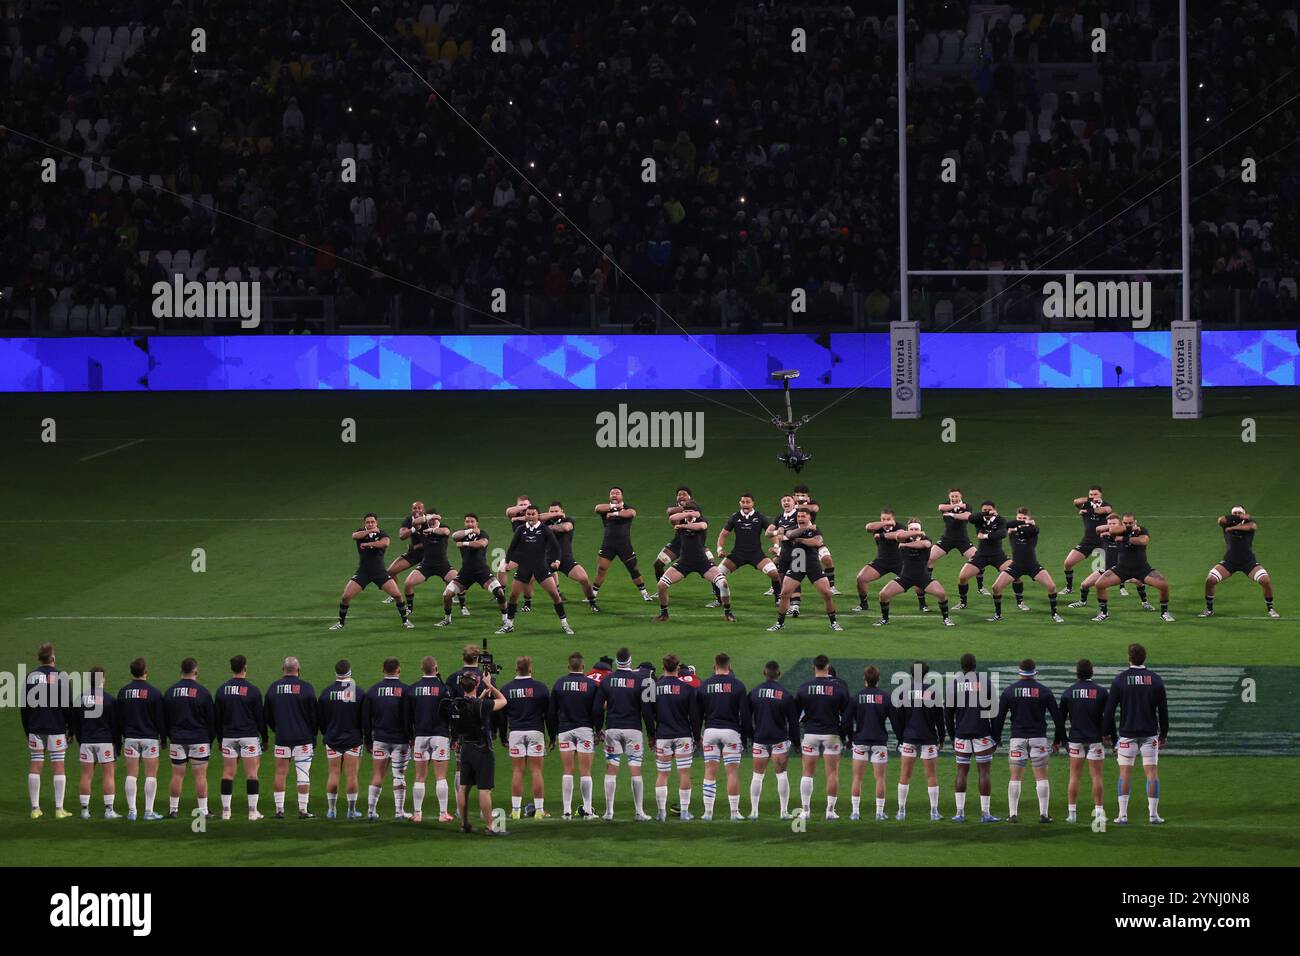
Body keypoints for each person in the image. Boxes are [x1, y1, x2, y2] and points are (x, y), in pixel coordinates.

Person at [1103, 643, 1169, 825]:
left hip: (1127, 734)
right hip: (1149, 733)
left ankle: (1122, 815)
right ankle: (1153, 815)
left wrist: (1110, 736)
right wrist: (1164, 734)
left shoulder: (1119, 680)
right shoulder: (1155, 680)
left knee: (1124, 774)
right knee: (1152, 774)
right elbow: (1163, 711)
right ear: (1144, 658)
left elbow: (1109, 712)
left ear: (1129, 658)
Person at [993, 659, 1063, 823]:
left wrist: (996, 739)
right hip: (1038, 738)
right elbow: (1058, 719)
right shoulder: (1044, 691)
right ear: (1035, 673)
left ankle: (1012, 814)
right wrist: (1058, 740)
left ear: (1019, 672)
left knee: (1015, 777)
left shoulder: (1009, 691)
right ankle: (1044, 814)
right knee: (1041, 777)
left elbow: (999, 718)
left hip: (1017, 738)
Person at [593, 647, 654, 821]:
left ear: (617, 661)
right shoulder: (640, 681)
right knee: (635, 768)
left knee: (611, 768)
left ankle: (609, 812)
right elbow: (647, 712)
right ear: (630, 660)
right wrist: (651, 734)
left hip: (612, 728)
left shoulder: (607, 680)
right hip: (633, 729)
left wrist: (598, 729)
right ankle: (639, 812)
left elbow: (597, 708)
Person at [448, 669, 508, 835]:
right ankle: (490, 827)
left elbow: (470, 707)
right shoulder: (483, 705)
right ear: (477, 685)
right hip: (482, 751)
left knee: (464, 787)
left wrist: (481, 696)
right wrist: (490, 686)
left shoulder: (458, 704)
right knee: (484, 789)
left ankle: (464, 824)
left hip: (465, 749)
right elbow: (503, 701)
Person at [497, 505, 572, 635]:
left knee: (555, 595)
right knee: (513, 596)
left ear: (538, 516)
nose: (530, 516)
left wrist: (557, 561)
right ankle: (509, 625)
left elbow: (557, 548)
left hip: (541, 568)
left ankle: (565, 624)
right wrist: (507, 563)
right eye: (528, 514)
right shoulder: (521, 529)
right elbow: (512, 547)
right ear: (526, 515)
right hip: (524, 567)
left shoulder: (544, 529)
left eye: (533, 514)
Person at [655, 501, 734, 622]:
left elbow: (701, 527)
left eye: (691, 512)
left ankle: (728, 613)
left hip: (703, 562)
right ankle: (664, 614)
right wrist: (685, 514)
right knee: (661, 585)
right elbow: (671, 518)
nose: (688, 515)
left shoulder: (701, 520)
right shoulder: (681, 520)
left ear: (697, 513)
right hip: (684, 563)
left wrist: (683, 526)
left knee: (723, 584)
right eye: (686, 512)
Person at [331, 513, 413, 630]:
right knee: (346, 597)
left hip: (379, 572)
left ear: (376, 522)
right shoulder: (361, 532)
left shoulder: (382, 534)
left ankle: (405, 621)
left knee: (397, 595)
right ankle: (340, 623)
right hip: (363, 572)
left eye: (372, 522)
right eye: (368, 522)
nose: (370, 524)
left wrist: (368, 544)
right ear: (365, 524)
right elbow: (354, 536)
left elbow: (385, 543)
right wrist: (369, 532)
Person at [944, 654, 1000, 823]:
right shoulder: (985, 682)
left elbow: (948, 713)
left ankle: (960, 813)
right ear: (975, 665)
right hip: (982, 733)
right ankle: (985, 813)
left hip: (961, 734)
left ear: (962, 667)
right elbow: (995, 711)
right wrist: (995, 736)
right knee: (984, 772)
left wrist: (953, 736)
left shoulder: (954, 684)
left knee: (961, 772)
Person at [795, 655, 851, 819]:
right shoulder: (838, 689)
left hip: (811, 733)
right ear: (828, 667)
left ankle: (805, 811)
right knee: (832, 773)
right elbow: (846, 717)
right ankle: (830, 811)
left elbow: (796, 715)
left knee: (807, 772)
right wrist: (846, 736)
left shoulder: (804, 687)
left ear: (814, 667)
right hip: (831, 735)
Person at [21, 643, 72, 820]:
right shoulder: (61, 677)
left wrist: (27, 731)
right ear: (52, 658)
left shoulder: (29, 677)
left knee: (36, 763)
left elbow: (24, 708)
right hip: (56, 727)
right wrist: (70, 729)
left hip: (35, 727)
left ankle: (35, 808)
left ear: (39, 659)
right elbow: (68, 707)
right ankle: (59, 809)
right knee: (58, 765)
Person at [548, 652, 602, 819]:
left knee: (567, 771)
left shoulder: (559, 684)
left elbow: (551, 713)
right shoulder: (591, 685)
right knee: (585, 771)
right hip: (585, 730)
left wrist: (552, 735)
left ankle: (566, 811)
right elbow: (597, 710)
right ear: (583, 667)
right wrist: (598, 729)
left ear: (568, 666)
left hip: (565, 731)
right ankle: (586, 809)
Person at [1199, 507, 1280, 618]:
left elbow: (1252, 526)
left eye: (1239, 513)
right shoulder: (1226, 523)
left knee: (1265, 580)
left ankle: (1270, 609)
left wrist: (1233, 528)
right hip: (1230, 561)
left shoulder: (1249, 522)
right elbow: (1220, 520)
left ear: (1244, 513)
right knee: (1210, 580)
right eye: (1234, 513)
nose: (1237, 515)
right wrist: (1239, 517)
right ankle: (1209, 610)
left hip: (1248, 561)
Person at [649, 654, 703, 820]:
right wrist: (696, 736)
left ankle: (661, 813)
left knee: (662, 774)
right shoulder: (687, 689)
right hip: (683, 735)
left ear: (663, 667)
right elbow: (694, 716)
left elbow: (649, 714)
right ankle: (685, 812)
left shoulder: (653, 688)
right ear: (678, 667)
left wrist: (651, 735)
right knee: (684, 773)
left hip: (663, 735)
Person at [1091, 514, 1174, 623]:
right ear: (1122, 523)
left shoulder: (1142, 530)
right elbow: (1100, 529)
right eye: (1126, 523)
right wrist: (1127, 529)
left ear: (1135, 521)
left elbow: (1143, 541)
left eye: (1131, 523)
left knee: (1163, 585)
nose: (1128, 525)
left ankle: (1164, 613)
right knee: (1099, 584)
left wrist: (1125, 538)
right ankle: (1104, 613)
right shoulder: (1119, 530)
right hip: (1122, 569)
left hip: (1142, 568)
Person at [265, 656, 318, 819]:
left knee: (280, 773)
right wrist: (313, 735)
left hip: (282, 737)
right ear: (298, 670)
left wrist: (278, 729)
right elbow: (314, 716)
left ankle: (279, 810)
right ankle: (303, 810)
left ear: (283, 670)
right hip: (303, 738)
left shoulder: (273, 688)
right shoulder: (307, 688)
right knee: (303, 774)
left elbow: (267, 715)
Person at [162, 658, 216, 820]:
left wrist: (170, 736)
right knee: (200, 776)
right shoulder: (203, 692)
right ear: (195, 671)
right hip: (199, 738)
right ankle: (203, 811)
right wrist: (209, 740)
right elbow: (211, 720)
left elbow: (165, 719)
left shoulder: (170, 692)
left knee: (177, 775)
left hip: (177, 739)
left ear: (181, 671)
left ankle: (173, 810)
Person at [988, 508, 1063, 622]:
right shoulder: (1010, 527)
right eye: (1019, 518)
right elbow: (1006, 524)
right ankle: (998, 615)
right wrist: (1021, 523)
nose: (1021, 520)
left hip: (1032, 565)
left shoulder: (1033, 529)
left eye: (1024, 518)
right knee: (996, 587)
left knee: (1051, 587)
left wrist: (1018, 527)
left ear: (1030, 519)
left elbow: (1033, 530)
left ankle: (1054, 614)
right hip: (1016, 566)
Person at [892, 661, 945, 821]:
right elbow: (939, 719)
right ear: (926, 674)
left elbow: (898, 718)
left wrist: (901, 738)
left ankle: (901, 811)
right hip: (928, 738)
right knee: (931, 776)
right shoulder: (933, 691)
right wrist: (941, 737)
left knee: (904, 775)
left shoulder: (903, 691)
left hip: (909, 737)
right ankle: (934, 812)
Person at [499, 656, 551, 819]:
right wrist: (553, 735)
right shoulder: (541, 688)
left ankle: (515, 810)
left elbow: (501, 716)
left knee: (518, 771)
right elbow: (548, 715)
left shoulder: (506, 689)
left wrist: (502, 735)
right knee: (536, 771)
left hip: (515, 733)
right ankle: (539, 810)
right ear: (530, 669)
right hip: (536, 732)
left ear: (516, 669)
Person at [216, 655, 266, 821]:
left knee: (228, 773)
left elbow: (217, 718)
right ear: (245, 667)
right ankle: (252, 812)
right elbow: (260, 718)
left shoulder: (222, 690)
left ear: (232, 668)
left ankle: (226, 811)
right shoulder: (252, 690)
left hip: (229, 737)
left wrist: (219, 739)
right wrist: (265, 738)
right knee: (252, 774)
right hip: (249, 736)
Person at [1057, 659, 1108, 824]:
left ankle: (1072, 814)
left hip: (1076, 739)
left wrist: (1061, 740)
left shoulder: (1068, 692)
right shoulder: (1101, 692)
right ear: (1092, 672)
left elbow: (1060, 721)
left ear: (1077, 672)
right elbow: (1107, 719)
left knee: (1074, 776)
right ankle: (1099, 813)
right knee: (1097, 776)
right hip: (1095, 739)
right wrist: (1109, 736)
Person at [747, 660, 801, 818]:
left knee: (757, 775)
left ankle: (754, 812)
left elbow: (745, 717)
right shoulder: (785, 695)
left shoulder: (755, 692)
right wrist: (796, 743)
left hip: (760, 738)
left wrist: (751, 736)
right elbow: (793, 723)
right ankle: (784, 812)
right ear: (779, 674)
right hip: (779, 740)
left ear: (764, 673)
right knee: (782, 775)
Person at [699, 653, 749, 821]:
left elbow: (698, 713)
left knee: (710, 771)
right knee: (732, 773)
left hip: (711, 731)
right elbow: (745, 715)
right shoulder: (738, 686)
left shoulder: (705, 685)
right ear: (729, 665)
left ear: (715, 665)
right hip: (731, 731)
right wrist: (745, 735)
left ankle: (708, 813)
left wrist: (696, 733)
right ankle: (734, 813)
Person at [115, 657, 166, 821]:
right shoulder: (154, 693)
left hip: (130, 738)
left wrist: (121, 736)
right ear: (145, 671)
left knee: (131, 774)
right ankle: (148, 812)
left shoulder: (123, 692)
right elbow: (160, 719)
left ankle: (132, 811)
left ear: (132, 672)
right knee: (150, 774)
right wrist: (163, 739)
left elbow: (119, 718)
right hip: (150, 738)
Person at [436, 514, 508, 627]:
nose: (470, 523)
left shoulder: (483, 534)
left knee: (499, 592)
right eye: (467, 521)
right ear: (464, 523)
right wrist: (468, 532)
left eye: (472, 521)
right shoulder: (463, 534)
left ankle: (506, 620)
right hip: (466, 572)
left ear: (477, 523)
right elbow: (454, 536)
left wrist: (464, 543)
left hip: (482, 571)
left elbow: (481, 544)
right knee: (447, 595)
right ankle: (447, 619)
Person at [843, 665, 893, 821]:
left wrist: (850, 738)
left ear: (864, 679)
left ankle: (855, 812)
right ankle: (879, 813)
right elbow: (895, 720)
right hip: (879, 741)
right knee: (880, 778)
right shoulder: (885, 697)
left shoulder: (856, 697)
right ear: (878, 679)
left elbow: (846, 722)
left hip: (860, 741)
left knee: (857, 778)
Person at [318, 659, 367, 819]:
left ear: (336, 673)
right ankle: (351, 811)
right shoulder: (358, 692)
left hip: (332, 739)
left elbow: (321, 719)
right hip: (353, 739)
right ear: (350, 672)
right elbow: (364, 719)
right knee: (352, 775)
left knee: (333, 774)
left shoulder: (326, 693)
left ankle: (331, 810)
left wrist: (327, 732)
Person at [408, 655, 453, 823]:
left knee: (420, 777)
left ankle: (417, 813)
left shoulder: (412, 689)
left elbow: (408, 717)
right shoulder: (444, 689)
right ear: (436, 668)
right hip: (440, 735)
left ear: (422, 669)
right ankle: (443, 814)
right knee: (440, 777)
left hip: (420, 736)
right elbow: (449, 714)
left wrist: (410, 736)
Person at [70, 666, 119, 820]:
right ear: (102, 679)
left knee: (86, 775)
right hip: (104, 741)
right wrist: (117, 744)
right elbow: (115, 725)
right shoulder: (110, 699)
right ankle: (109, 811)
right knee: (108, 775)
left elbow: (75, 723)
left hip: (86, 741)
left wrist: (80, 739)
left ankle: (85, 811)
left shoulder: (80, 699)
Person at [591, 487, 653, 601]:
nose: (614, 495)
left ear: (622, 496)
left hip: (624, 545)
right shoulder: (605, 508)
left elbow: (632, 513)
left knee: (633, 569)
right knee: (601, 569)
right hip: (608, 544)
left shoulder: (628, 508)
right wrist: (614, 507)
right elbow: (597, 508)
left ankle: (644, 593)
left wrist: (615, 514)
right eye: (612, 493)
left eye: (617, 493)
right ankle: (592, 595)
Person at [1062, 486, 1113, 594]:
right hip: (1088, 541)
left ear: (1101, 495)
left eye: (1095, 494)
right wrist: (1089, 501)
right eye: (1091, 494)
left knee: (1111, 565)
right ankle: (1069, 588)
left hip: (1103, 541)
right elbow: (1076, 502)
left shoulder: (1106, 505)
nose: (1093, 496)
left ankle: (1122, 587)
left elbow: (1104, 510)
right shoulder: (1086, 504)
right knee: (1068, 563)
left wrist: (1087, 511)